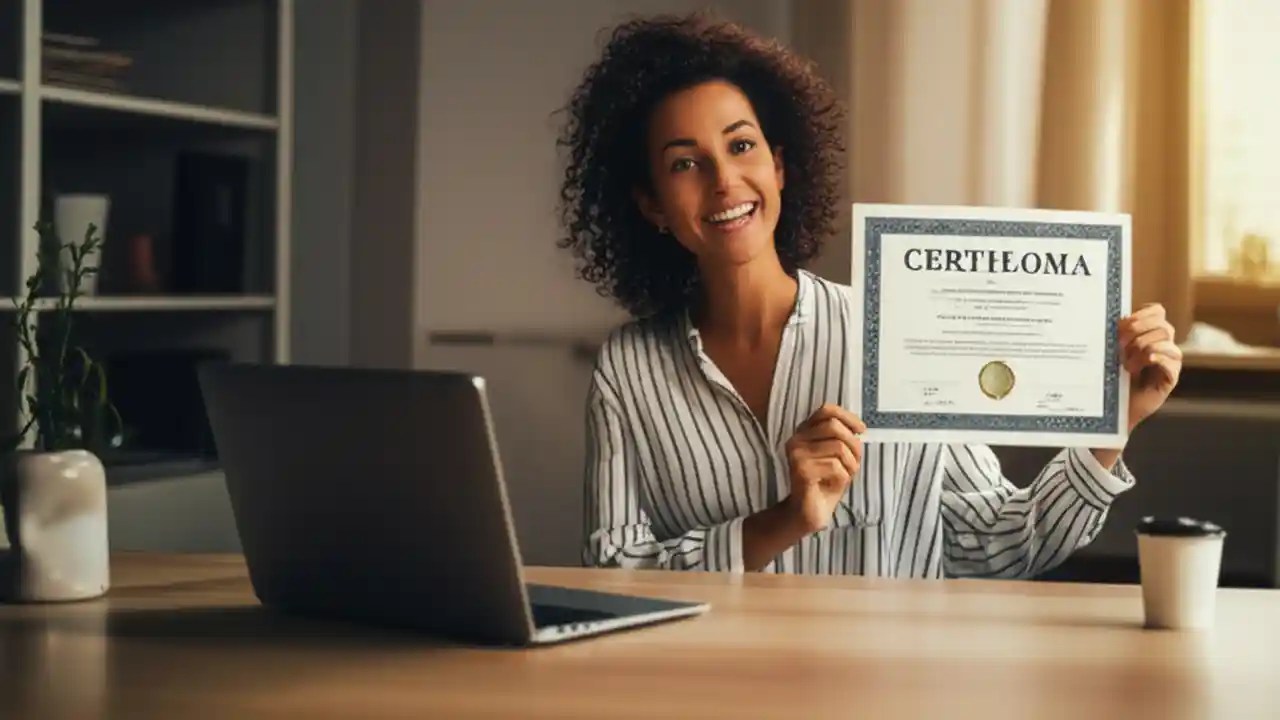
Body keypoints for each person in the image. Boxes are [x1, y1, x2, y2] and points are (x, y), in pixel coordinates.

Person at [555, 13, 1182, 577]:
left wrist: (1114, 421)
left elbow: (1000, 545)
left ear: (779, 166)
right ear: (651, 205)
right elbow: (614, 572)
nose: (724, 181)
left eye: (741, 146)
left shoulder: (894, 332)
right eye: (685, 164)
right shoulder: (628, 371)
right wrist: (783, 522)